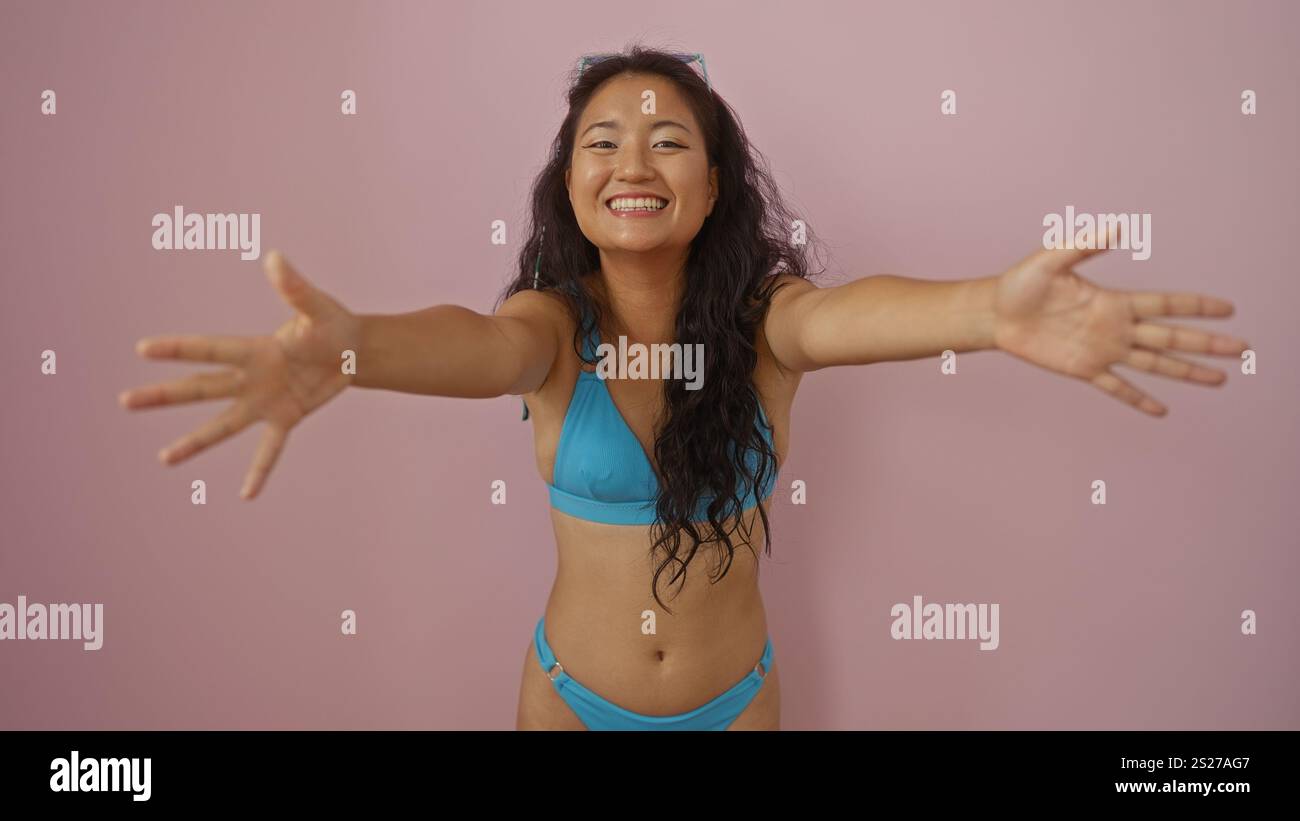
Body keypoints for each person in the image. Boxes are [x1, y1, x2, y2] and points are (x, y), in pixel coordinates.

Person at [117, 47, 1249, 730]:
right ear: (573, 186)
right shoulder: (550, 329)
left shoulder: (771, 325)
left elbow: (863, 314)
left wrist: (989, 313)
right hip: (568, 699)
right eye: (602, 140)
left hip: (735, 701)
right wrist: (354, 346)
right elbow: (476, 348)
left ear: (709, 193)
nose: (633, 159)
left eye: (669, 140)